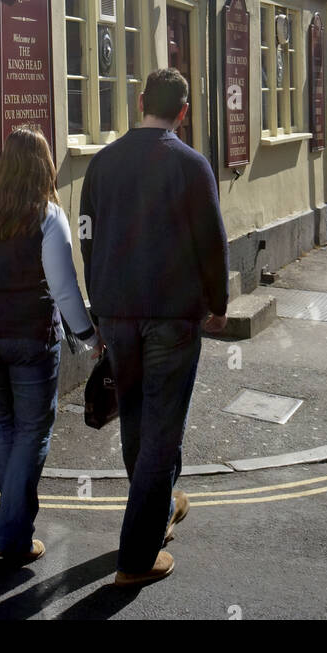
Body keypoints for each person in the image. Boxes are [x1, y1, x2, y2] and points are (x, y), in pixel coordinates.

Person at [79, 68, 230, 586]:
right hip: (171, 316)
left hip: (117, 314)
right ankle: (137, 557)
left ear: (140, 101)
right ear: (183, 112)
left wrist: (97, 306)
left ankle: (160, 507)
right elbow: (211, 240)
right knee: (162, 432)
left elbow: (88, 239)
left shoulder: (101, 164)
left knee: (139, 424)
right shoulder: (191, 166)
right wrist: (219, 302)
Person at [0, 127, 98, 562]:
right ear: (44, 166)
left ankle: (9, 519)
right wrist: (89, 335)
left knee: (4, 425)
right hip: (30, 338)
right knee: (32, 430)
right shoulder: (47, 215)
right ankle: (11, 534)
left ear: (4, 163)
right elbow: (64, 288)